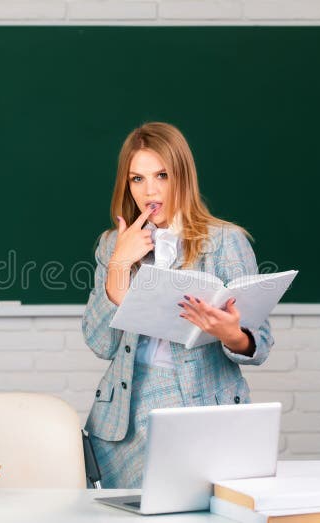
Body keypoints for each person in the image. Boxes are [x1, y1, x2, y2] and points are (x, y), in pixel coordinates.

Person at [81, 122, 273, 488]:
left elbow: (259, 344)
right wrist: (119, 266)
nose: (149, 190)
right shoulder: (114, 244)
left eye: (161, 175)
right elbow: (99, 344)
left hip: (200, 408)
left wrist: (232, 334)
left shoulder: (225, 241)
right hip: (127, 417)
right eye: (137, 179)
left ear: (182, 176)